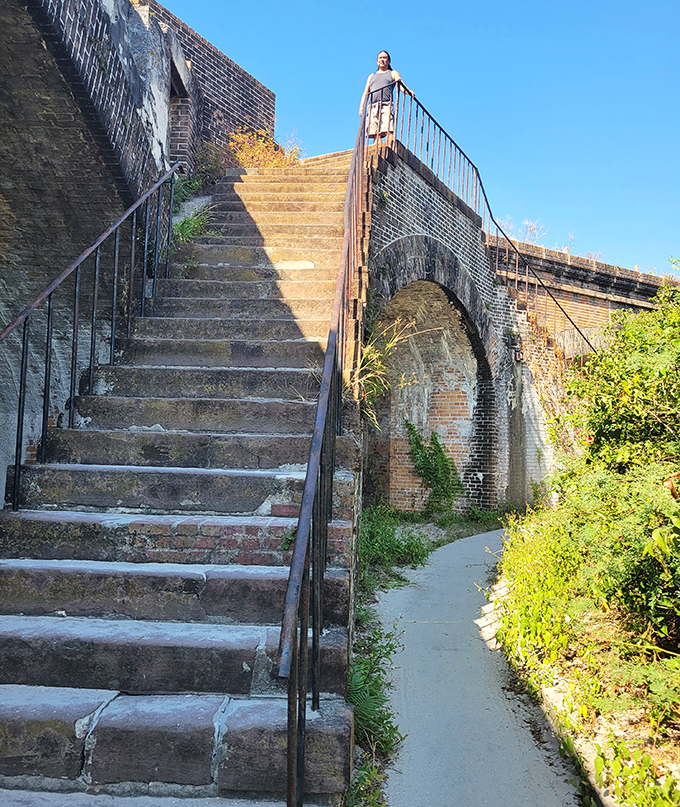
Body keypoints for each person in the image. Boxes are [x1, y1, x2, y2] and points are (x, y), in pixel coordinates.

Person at [359, 51, 414, 142]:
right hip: (372, 106)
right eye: (380, 58)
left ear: (389, 61)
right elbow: (366, 92)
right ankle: (379, 153)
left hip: (386, 105)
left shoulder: (393, 73)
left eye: (384, 58)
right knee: (375, 133)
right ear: (377, 61)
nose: (382, 60)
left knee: (388, 130)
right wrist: (361, 107)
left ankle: (390, 149)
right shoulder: (371, 76)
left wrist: (408, 92)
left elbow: (400, 85)